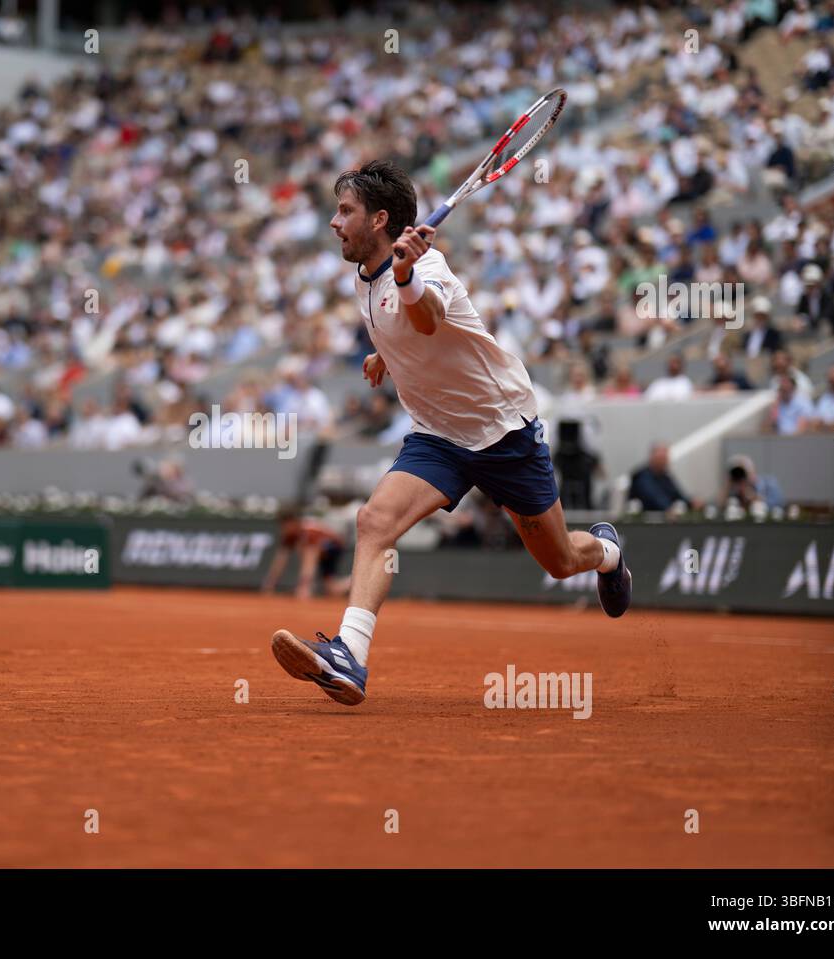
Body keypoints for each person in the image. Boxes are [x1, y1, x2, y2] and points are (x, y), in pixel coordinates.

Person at [270, 160, 630, 708]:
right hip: (438, 436)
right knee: (375, 521)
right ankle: (350, 656)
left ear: (380, 219)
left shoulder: (427, 267)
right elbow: (408, 333)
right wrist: (384, 356)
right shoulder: (367, 276)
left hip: (502, 430)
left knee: (559, 562)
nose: (333, 222)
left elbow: (429, 318)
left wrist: (410, 277)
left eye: (345, 211)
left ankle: (605, 552)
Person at [260, 508, 351, 601]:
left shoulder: (308, 531)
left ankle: (305, 587)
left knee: (309, 551)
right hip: (322, 549)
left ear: (293, 522)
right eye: (283, 525)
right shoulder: (289, 535)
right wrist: (270, 584)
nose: (285, 528)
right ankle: (353, 581)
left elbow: (310, 558)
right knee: (333, 590)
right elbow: (280, 560)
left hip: (334, 546)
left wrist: (303, 585)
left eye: (287, 524)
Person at [628, 443, 695, 512]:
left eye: (665, 458)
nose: (664, 462)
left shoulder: (665, 477)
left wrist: (691, 503)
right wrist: (667, 508)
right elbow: (653, 496)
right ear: (652, 457)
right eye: (661, 458)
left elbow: (677, 494)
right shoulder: (642, 477)